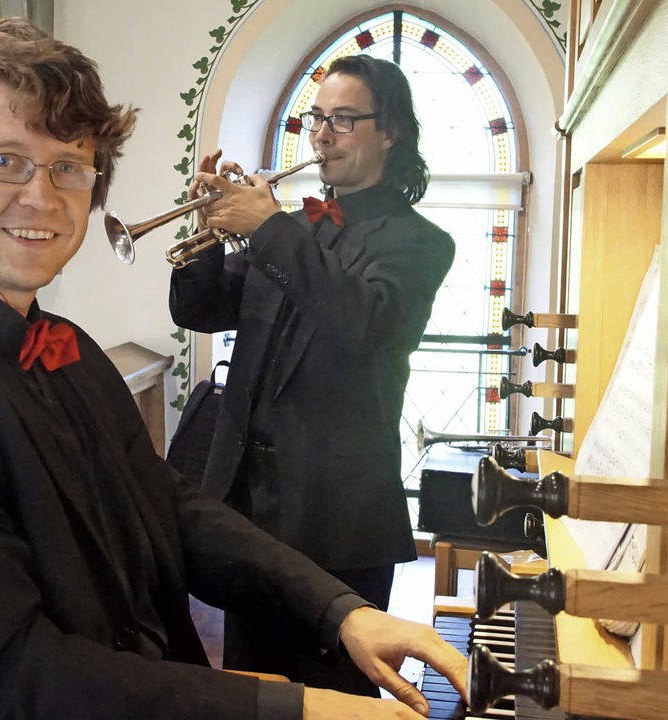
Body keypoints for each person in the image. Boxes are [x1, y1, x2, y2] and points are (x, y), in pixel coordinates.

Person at [0, 18, 467, 720]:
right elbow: (11, 677)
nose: (42, 196)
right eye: (3, 161)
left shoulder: (68, 349)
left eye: (69, 168)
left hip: (333, 510)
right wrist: (290, 708)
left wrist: (339, 612)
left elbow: (166, 506)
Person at [169, 55, 456, 694]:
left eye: (344, 120)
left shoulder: (420, 241)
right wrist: (207, 234)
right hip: (250, 506)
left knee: (335, 693)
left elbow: (362, 324)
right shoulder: (291, 229)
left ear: (391, 132)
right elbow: (200, 309)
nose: (321, 135)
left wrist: (267, 228)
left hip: (338, 513)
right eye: (316, 118)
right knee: (257, 686)